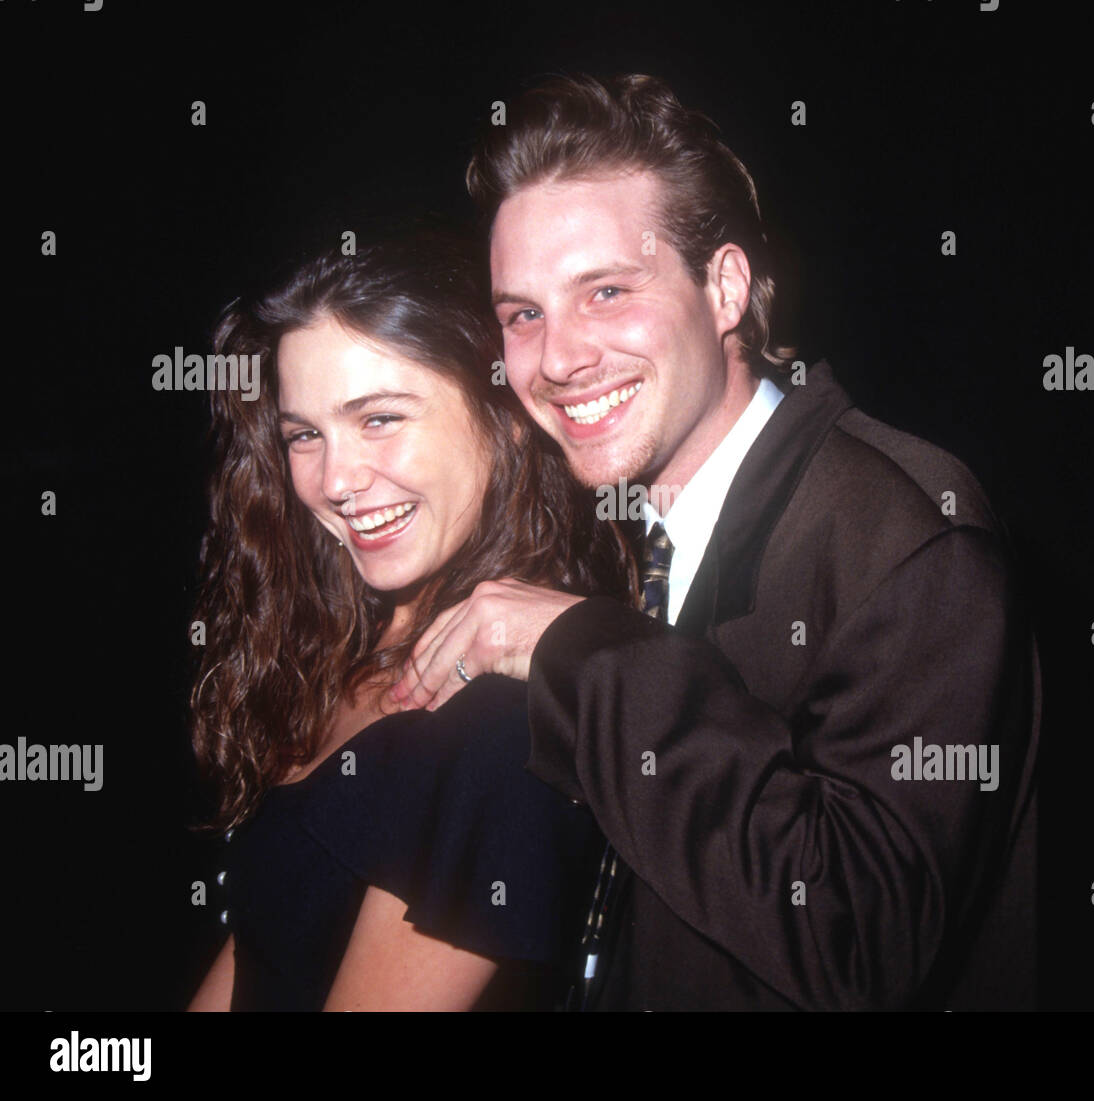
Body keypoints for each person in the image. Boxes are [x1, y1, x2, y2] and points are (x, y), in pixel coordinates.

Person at [391, 74, 1041, 1010]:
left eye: (607, 291)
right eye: (523, 313)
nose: (559, 358)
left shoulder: (904, 534)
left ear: (725, 286)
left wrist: (581, 651)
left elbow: (858, 938)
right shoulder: (617, 526)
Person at [185, 228, 630, 1011]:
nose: (337, 480)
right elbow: (259, 948)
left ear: (504, 415)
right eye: (304, 435)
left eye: (381, 418)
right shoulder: (347, 650)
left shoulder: (501, 720)